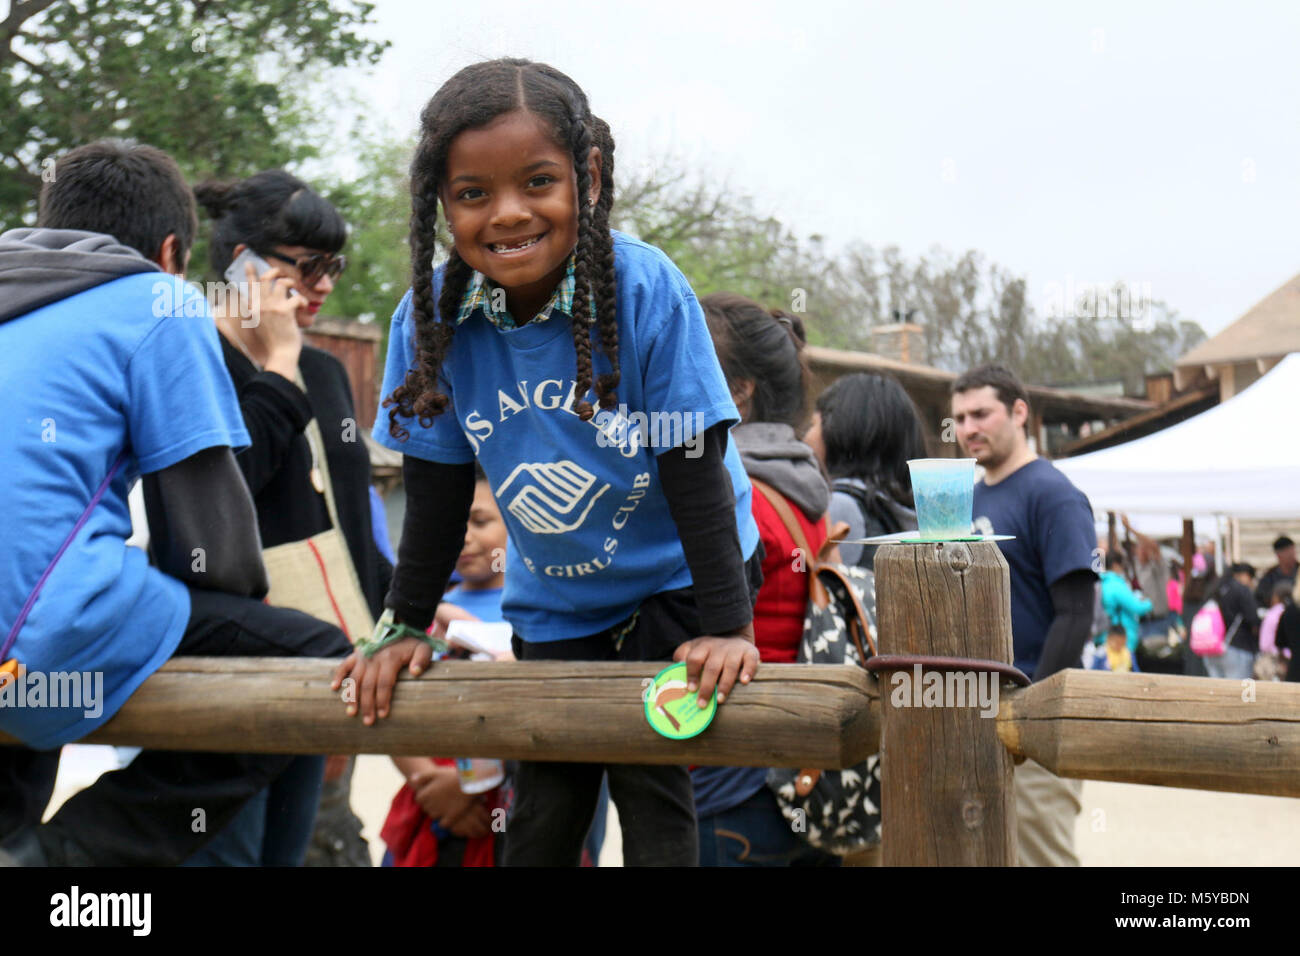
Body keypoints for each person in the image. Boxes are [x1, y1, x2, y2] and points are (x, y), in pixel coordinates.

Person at [342, 58, 763, 867]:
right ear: (441, 201)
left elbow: (692, 462)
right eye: (472, 194)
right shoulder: (429, 322)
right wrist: (402, 625)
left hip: (682, 575)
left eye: (538, 182)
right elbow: (432, 496)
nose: (507, 214)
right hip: (558, 599)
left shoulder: (642, 288)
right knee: (544, 807)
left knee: (650, 785)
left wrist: (727, 628)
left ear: (589, 176)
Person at [0, 139, 351, 865]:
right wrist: (237, 619)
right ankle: (64, 857)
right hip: (37, 638)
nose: (316, 286)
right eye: (303, 266)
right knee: (312, 656)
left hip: (20, 648)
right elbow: (210, 542)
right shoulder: (158, 301)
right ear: (171, 252)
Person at [177, 171, 389, 866]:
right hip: (228, 667)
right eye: (310, 265)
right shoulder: (188, 359)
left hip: (328, 658)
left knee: (287, 856)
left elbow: (349, 517)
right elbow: (223, 491)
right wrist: (278, 362)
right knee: (225, 854)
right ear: (243, 261)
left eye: (335, 265)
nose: (326, 283)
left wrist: (404, 611)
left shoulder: (326, 373)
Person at [689, 292, 837, 866]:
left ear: (740, 393)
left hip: (728, 769)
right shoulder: (807, 491)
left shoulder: (727, 493)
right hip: (801, 762)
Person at [951, 363, 1096, 867]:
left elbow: (1077, 614)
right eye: (960, 417)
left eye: (981, 413)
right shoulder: (971, 495)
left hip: (1032, 718)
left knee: (1039, 856)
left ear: (1019, 412)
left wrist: (1031, 713)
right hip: (975, 713)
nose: (969, 427)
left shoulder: (1053, 493)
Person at [382, 466, 510, 867]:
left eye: (481, 521)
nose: (465, 536)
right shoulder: (417, 615)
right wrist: (427, 782)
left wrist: (469, 785)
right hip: (429, 799)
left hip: (509, 799)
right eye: (456, 522)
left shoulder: (533, 614)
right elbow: (385, 698)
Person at [804, 372, 923, 570]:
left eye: (813, 424)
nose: (806, 437)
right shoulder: (911, 508)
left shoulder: (840, 507)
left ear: (839, 432)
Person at [1203, 563, 1260, 680]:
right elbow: (1253, 619)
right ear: (1244, 575)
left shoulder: (1215, 589)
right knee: (1238, 692)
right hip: (1237, 647)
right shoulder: (1242, 591)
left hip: (1211, 647)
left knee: (1217, 690)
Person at [1098, 551, 1152, 655]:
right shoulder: (1116, 585)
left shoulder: (1103, 582)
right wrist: (1150, 603)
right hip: (1121, 637)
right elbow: (1137, 607)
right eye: (1122, 565)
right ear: (1115, 565)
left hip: (1106, 635)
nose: (1123, 568)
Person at [1255, 536, 1297, 608]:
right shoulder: (1269, 577)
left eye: (1292, 552)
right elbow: (1260, 600)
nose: (1291, 556)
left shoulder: (1298, 572)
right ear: (1278, 555)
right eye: (1287, 552)